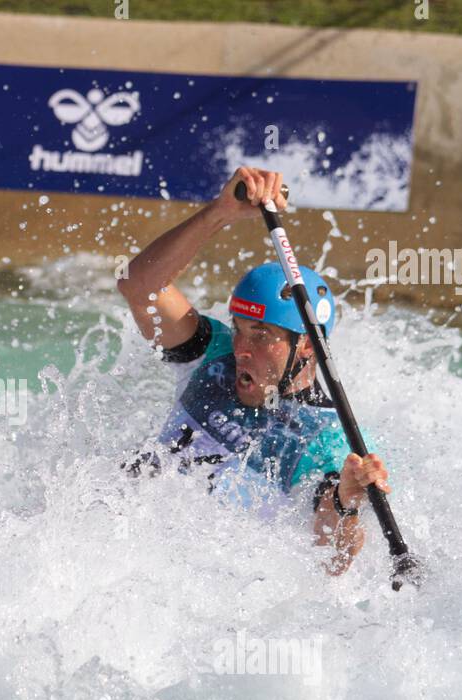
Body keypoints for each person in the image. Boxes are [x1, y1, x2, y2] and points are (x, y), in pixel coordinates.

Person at [118, 166, 390, 574]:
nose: (242, 349)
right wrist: (220, 213)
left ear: (308, 348)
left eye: (262, 335)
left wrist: (347, 502)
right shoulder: (213, 353)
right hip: (114, 535)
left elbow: (332, 559)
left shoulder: (325, 438)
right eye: (240, 329)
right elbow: (137, 285)